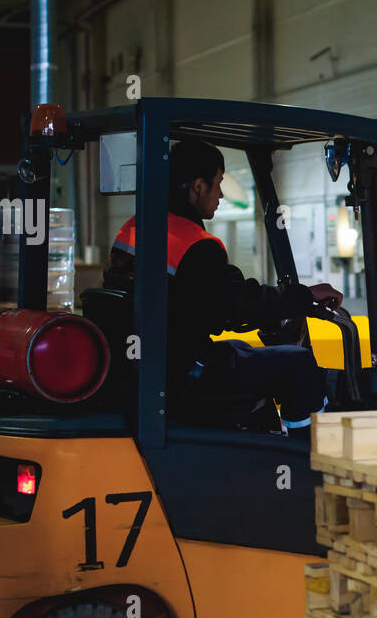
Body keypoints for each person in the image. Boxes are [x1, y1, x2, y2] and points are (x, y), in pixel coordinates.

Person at [104, 139, 343, 437]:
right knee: (299, 363)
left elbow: (201, 302)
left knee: (240, 349)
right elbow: (238, 306)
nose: (220, 196)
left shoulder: (135, 227)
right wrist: (304, 296)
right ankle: (310, 456)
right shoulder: (194, 245)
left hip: (149, 369)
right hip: (185, 375)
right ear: (198, 187)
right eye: (217, 185)